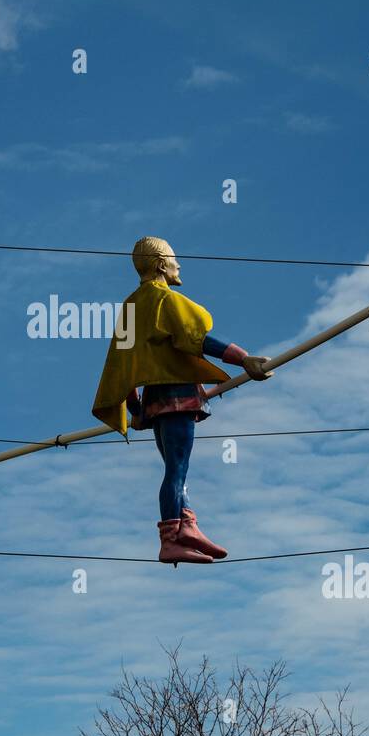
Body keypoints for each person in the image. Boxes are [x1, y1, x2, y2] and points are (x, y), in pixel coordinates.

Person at [92, 236, 272, 565]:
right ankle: (170, 537)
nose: (179, 264)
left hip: (155, 400)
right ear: (161, 264)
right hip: (176, 395)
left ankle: (187, 526)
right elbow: (196, 338)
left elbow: (125, 364)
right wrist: (243, 358)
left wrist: (137, 410)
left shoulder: (130, 307)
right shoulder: (163, 299)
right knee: (177, 468)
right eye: (175, 258)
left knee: (178, 470)